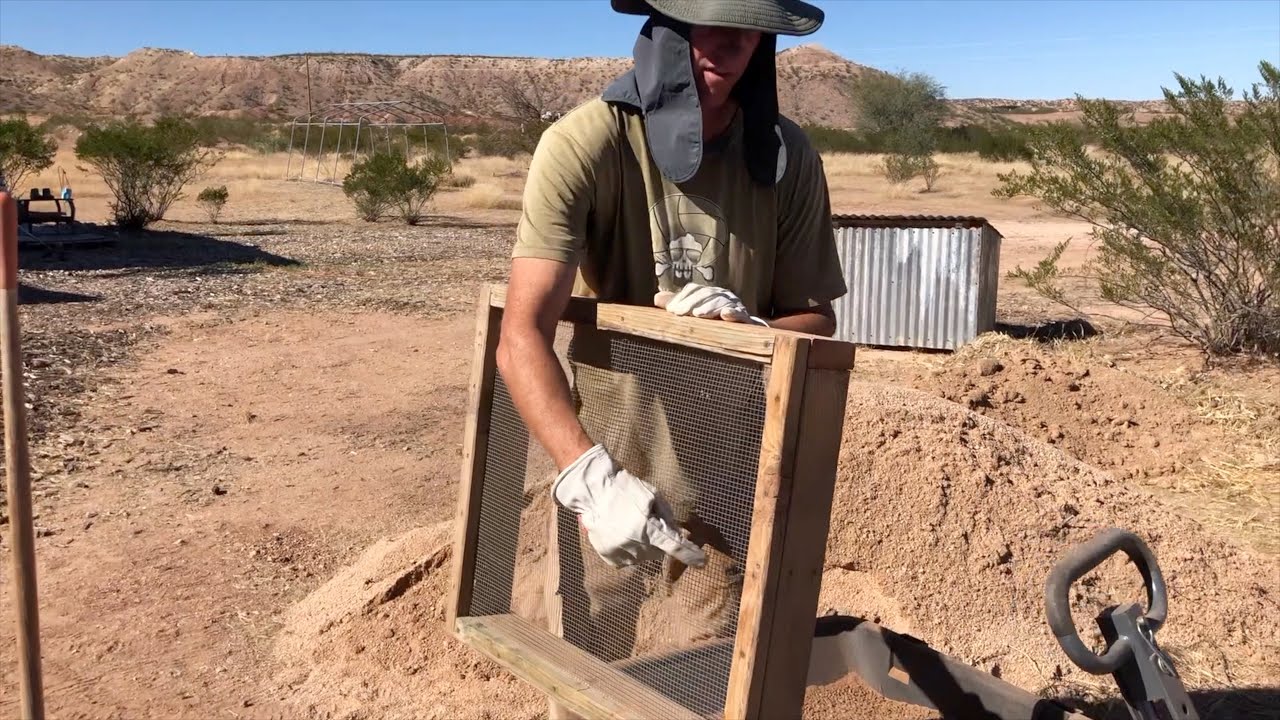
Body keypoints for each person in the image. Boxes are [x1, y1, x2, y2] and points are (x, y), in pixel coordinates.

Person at [495, 0, 845, 713]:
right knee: (585, 664)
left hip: (732, 467)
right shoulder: (587, 143)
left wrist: (751, 328)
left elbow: (816, 318)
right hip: (607, 448)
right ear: (665, 29)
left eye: (749, 24)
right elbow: (521, 332)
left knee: (706, 670)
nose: (732, 42)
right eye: (707, 20)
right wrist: (587, 475)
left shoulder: (786, 157)